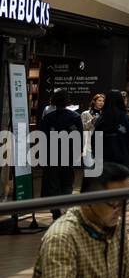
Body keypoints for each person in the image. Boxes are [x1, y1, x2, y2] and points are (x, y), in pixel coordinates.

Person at [38, 89, 81, 220]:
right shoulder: (75, 117)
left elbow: (42, 138)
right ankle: (64, 208)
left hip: (51, 155)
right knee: (67, 183)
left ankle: (55, 211)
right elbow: (78, 138)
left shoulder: (48, 118)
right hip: (68, 155)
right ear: (67, 101)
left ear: (54, 101)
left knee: (52, 185)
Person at [92, 91, 129, 169]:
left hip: (105, 159)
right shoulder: (126, 118)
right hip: (123, 158)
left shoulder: (101, 119)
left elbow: (95, 140)